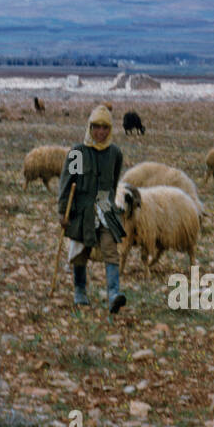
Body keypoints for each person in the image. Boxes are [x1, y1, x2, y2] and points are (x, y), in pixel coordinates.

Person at [56, 104, 127, 313]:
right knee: (80, 251)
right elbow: (67, 182)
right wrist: (63, 211)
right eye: (96, 127)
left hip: (105, 206)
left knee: (111, 250)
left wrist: (111, 205)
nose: (101, 132)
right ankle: (80, 292)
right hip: (81, 209)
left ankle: (113, 294)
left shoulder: (114, 154)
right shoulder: (78, 153)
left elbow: (113, 183)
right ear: (90, 127)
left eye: (105, 128)